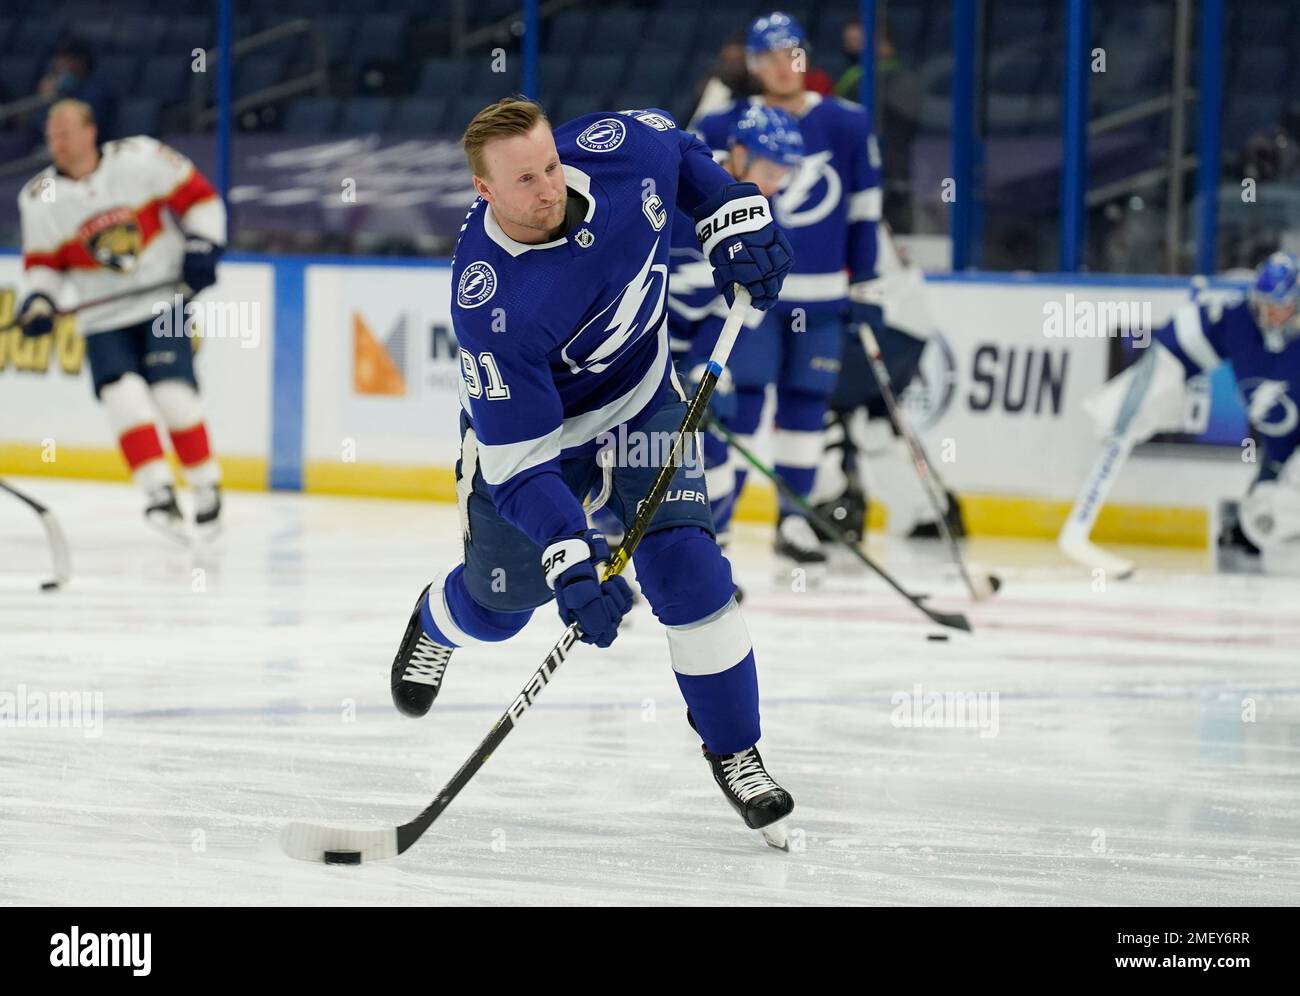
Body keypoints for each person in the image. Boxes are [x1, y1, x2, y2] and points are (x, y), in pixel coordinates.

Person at [387, 98, 797, 843]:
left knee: (690, 570)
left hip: (642, 404)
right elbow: (520, 469)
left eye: (550, 166)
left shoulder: (619, 149)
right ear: (484, 191)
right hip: (540, 449)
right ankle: (437, 619)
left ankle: (737, 751)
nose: (548, 188)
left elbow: (681, 151)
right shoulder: (491, 303)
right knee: (502, 609)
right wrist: (569, 557)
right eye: (525, 182)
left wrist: (729, 210)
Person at [694, 12, 881, 570]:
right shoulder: (724, 123)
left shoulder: (847, 124)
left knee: (806, 404)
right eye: (767, 56)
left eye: (790, 53)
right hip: (752, 297)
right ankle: (720, 525)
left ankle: (795, 520)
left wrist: (867, 287)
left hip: (823, 295)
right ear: (751, 65)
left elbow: (865, 209)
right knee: (739, 405)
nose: (781, 65)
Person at [16, 100, 226, 541]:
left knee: (172, 396)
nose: (59, 143)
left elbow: (201, 201)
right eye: (52, 135)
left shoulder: (141, 158)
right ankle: (158, 493)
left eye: (67, 132)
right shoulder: (39, 199)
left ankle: (205, 484)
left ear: (91, 132)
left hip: (162, 299)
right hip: (102, 316)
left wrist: (203, 245)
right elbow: (45, 267)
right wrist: (38, 300)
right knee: (122, 397)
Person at [1084, 252, 1300, 574]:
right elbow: (1177, 343)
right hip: (1278, 454)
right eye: (1264, 303)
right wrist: (1135, 398)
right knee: (1262, 516)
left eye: (1279, 305)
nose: (1269, 314)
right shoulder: (1239, 321)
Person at [666, 103, 804, 553]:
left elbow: (741, 310)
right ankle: (609, 549)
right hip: (641, 341)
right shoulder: (678, 192)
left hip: (694, 343)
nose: (774, 182)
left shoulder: (766, 223)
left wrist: (705, 368)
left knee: (712, 439)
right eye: (768, 167)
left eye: (784, 172)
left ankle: (711, 550)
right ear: (739, 153)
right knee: (628, 444)